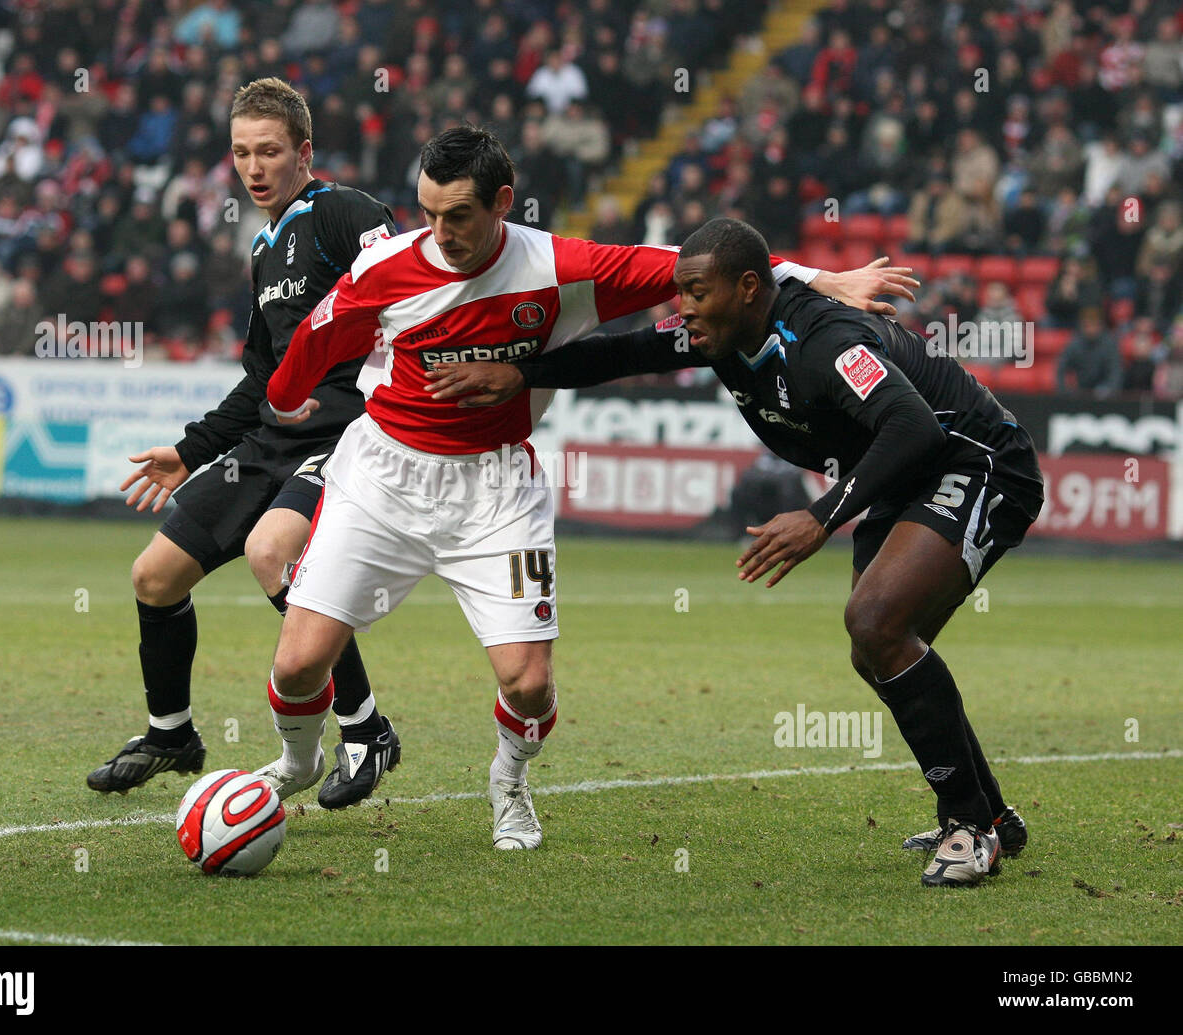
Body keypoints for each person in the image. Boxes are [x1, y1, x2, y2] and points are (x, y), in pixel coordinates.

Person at [254, 126, 916, 851]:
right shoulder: (385, 266)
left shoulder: (559, 267)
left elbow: (703, 267)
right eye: (427, 213)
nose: (439, 233)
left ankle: (509, 780)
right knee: (296, 661)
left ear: (503, 202)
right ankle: (298, 757)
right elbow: (311, 344)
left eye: (458, 217)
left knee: (529, 685)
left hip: (495, 486)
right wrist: (286, 397)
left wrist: (822, 279)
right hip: (385, 474)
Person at [427, 216, 1042, 886]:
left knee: (878, 624)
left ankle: (969, 826)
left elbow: (913, 422)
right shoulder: (719, 335)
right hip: (903, 470)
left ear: (749, 288)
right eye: (680, 291)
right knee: (882, 643)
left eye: (696, 291)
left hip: (976, 459)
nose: (682, 306)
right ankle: (990, 815)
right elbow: (624, 353)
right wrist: (518, 373)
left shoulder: (823, 339)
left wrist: (818, 517)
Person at [86, 78, 403, 809]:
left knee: (272, 552)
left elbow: (407, 286)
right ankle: (171, 733)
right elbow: (260, 381)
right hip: (270, 442)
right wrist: (189, 451)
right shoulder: (265, 249)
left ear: (303, 153)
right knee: (154, 576)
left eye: (268, 151)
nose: (253, 166)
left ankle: (366, 728)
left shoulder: (343, 213)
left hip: (346, 437)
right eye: (240, 153)